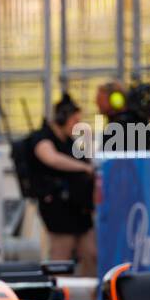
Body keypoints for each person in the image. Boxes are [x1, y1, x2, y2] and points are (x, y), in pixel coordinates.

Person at [22, 94, 98, 277]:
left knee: (92, 254)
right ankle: (59, 299)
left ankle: (92, 295)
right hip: (58, 211)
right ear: (63, 119)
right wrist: (83, 167)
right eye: (75, 121)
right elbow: (51, 158)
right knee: (60, 258)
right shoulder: (42, 138)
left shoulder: (71, 142)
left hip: (79, 209)